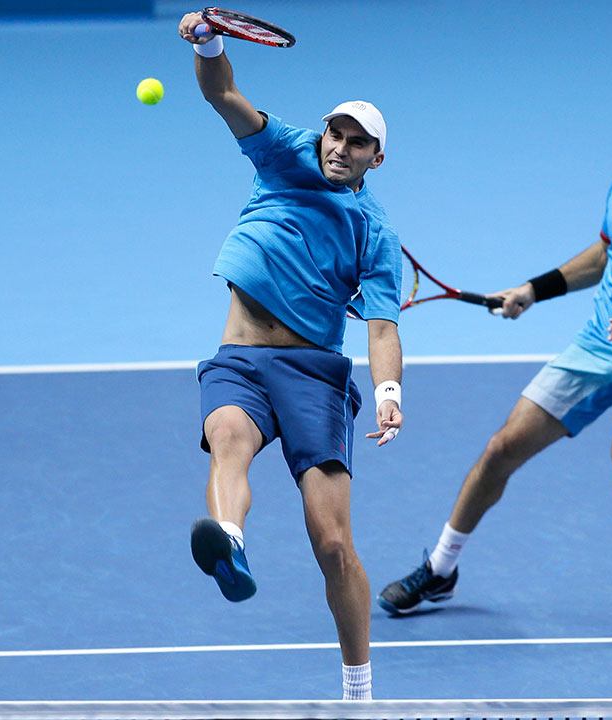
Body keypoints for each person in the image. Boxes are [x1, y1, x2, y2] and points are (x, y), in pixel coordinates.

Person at [377, 74, 612, 651]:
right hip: (597, 346)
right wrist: (533, 289)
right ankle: (442, 568)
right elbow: (604, 255)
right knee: (501, 449)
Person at [178, 14, 404, 699]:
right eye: (336, 133)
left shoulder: (376, 235)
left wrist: (389, 393)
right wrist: (208, 42)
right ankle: (229, 543)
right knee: (228, 441)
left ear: (375, 158)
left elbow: (384, 328)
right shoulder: (285, 152)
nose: (339, 147)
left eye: (357, 142)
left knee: (332, 543)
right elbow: (225, 95)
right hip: (239, 359)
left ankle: (359, 689)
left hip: (314, 375)